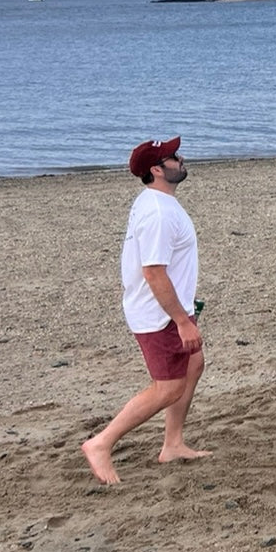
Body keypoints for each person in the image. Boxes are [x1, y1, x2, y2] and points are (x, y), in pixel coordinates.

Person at [81, 136, 209, 485]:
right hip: (160, 316)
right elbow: (153, 272)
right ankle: (101, 443)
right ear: (156, 169)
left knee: (194, 364)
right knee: (168, 387)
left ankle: (173, 443)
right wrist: (181, 321)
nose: (181, 159)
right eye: (173, 157)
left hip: (172, 309)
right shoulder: (156, 212)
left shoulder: (159, 202)